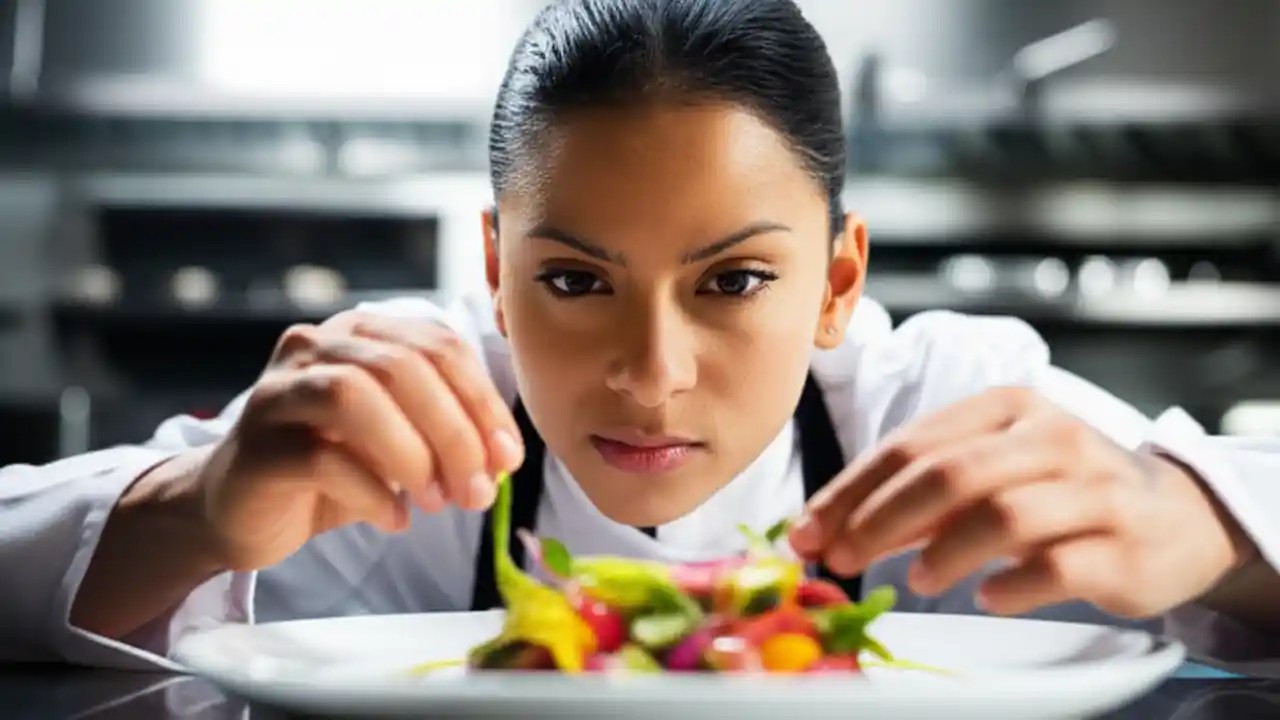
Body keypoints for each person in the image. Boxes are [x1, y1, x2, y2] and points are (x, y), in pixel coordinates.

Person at [3, 0, 1279, 675]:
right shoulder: (401, 419)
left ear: (837, 282)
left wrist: (1207, 531)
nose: (651, 375)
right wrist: (189, 509)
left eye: (731, 283)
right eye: (572, 281)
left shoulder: (944, 400)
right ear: (495, 274)